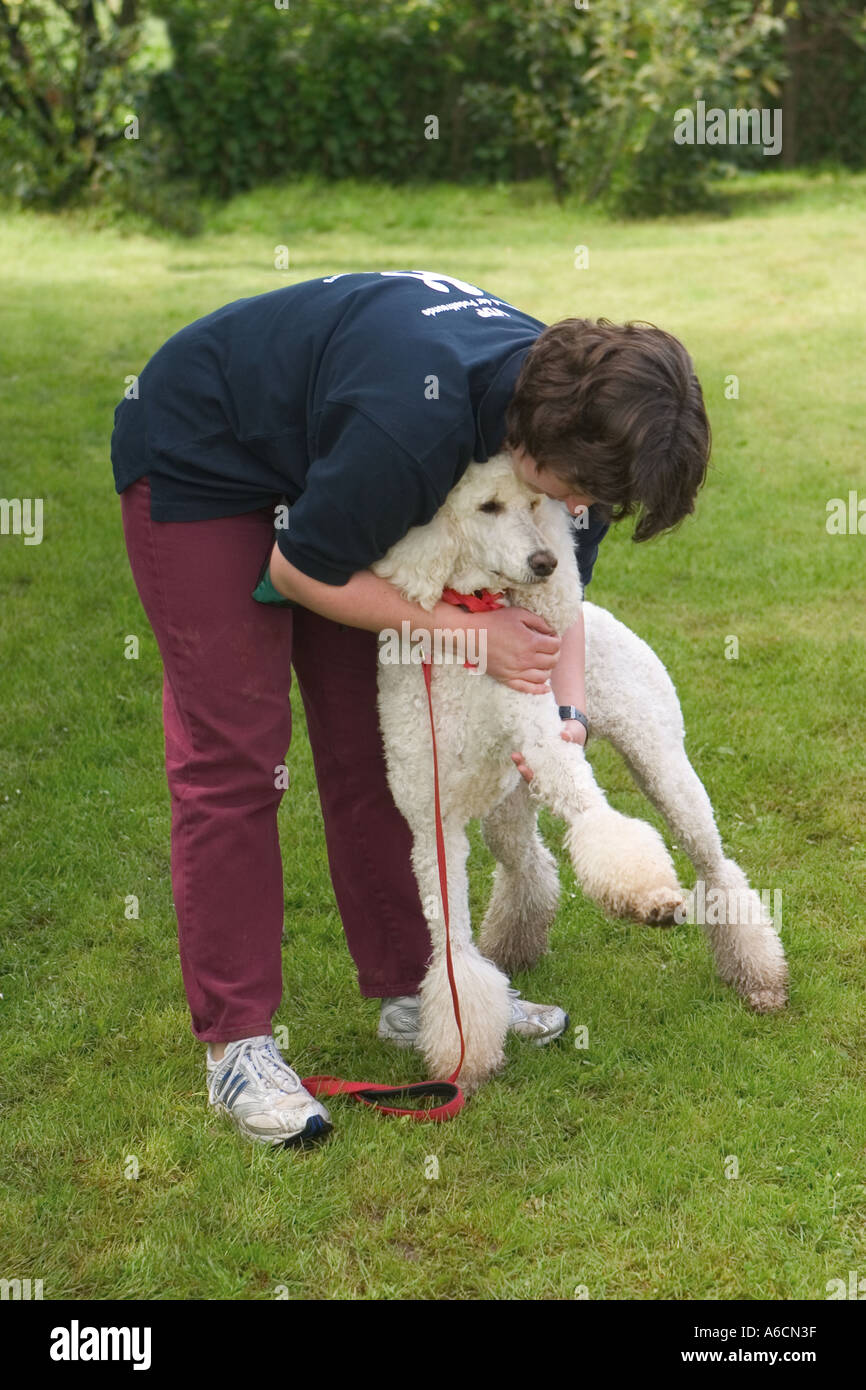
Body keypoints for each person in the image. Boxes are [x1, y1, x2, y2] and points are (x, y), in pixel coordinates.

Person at [112, 270, 710, 1147]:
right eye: (581, 490)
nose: (581, 514)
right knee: (237, 753)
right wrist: (468, 639)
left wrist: (564, 715)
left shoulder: (592, 437)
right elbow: (299, 571)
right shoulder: (413, 421)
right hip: (206, 457)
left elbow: (554, 611)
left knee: (376, 738)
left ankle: (411, 987)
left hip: (332, 464)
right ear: (539, 437)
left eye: (596, 502)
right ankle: (238, 1043)